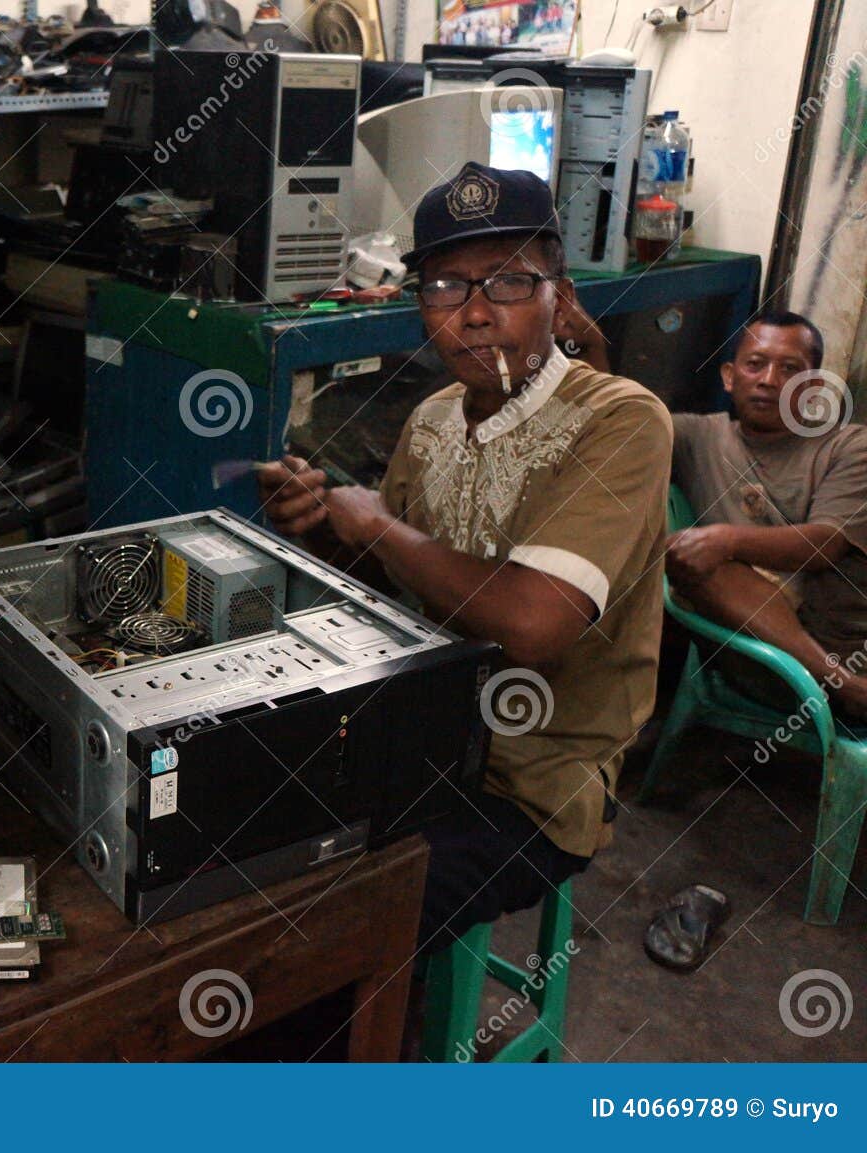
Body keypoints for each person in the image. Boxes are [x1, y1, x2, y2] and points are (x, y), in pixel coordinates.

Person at [260, 162, 672, 950]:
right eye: (448, 286)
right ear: (422, 308)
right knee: (238, 860)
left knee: (329, 926)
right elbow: (397, 591)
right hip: (414, 738)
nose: (477, 315)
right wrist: (323, 527)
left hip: (531, 785)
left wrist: (378, 525)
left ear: (563, 294)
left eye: (510, 283)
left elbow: (533, 624)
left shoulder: (621, 421)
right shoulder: (432, 418)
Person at [666, 309, 867, 719]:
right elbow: (620, 425)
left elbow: (825, 543)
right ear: (729, 375)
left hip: (849, 639)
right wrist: (593, 346)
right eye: (755, 364)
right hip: (769, 661)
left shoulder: (849, 446)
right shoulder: (697, 437)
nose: (769, 380)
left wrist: (730, 539)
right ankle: (844, 687)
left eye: (789, 369)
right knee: (686, 555)